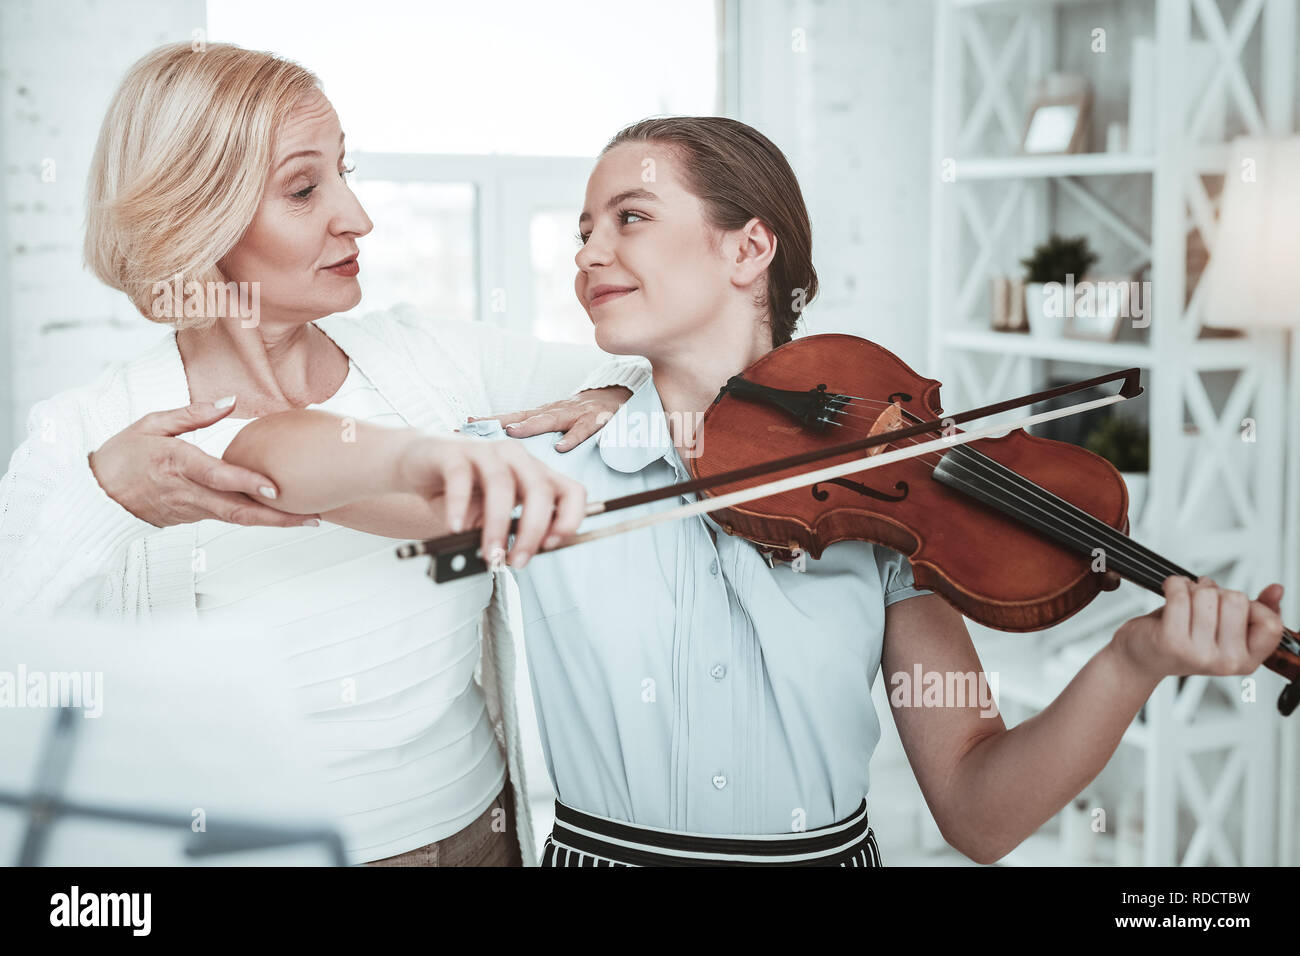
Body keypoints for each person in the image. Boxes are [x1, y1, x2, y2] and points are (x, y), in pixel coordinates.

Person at [224, 116, 1285, 867]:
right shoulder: (542, 469)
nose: (588, 250)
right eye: (583, 227)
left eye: (628, 218)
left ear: (750, 246)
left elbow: (977, 808)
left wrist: (1133, 657)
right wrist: (421, 458)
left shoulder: (889, 499)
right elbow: (279, 454)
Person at [0, 41, 649, 867]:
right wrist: (102, 502)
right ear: (197, 214)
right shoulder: (87, 430)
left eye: (346, 172)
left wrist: (612, 395)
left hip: (477, 834)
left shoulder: (430, 357)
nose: (357, 216)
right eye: (306, 189)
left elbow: (652, 363)